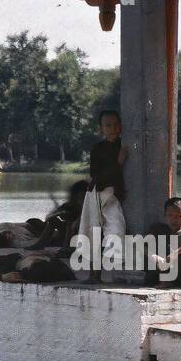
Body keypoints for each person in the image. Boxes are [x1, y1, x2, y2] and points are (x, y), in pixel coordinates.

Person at [78, 110, 127, 282]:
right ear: (101, 129)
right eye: (108, 125)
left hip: (113, 196)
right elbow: (96, 175)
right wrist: (118, 164)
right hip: (96, 193)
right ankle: (94, 274)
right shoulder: (97, 149)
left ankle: (114, 272)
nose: (113, 129)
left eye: (116, 125)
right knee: (93, 232)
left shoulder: (124, 145)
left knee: (116, 228)